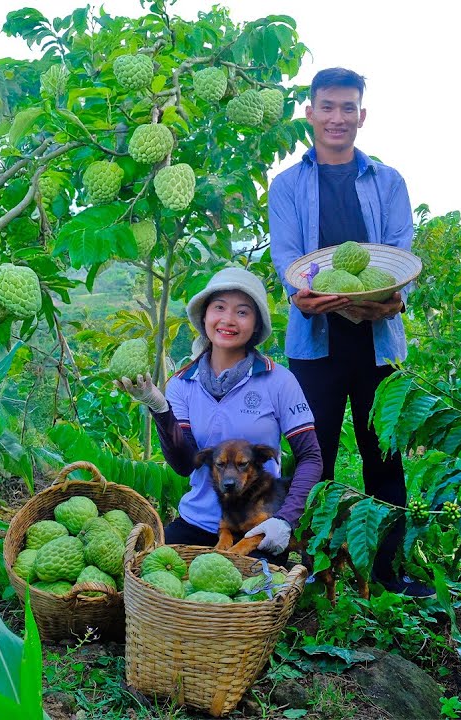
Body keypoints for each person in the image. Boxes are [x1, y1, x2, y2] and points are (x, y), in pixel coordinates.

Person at [268, 67, 433, 597]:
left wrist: (387, 302)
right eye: (328, 107)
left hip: (377, 344)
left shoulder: (388, 182)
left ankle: (388, 572)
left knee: (382, 456)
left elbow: (400, 253)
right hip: (314, 345)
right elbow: (288, 258)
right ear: (310, 113)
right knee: (313, 456)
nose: (337, 118)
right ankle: (311, 568)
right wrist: (304, 296)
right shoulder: (289, 185)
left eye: (348, 108)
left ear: (362, 115)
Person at [116, 267, 323, 565]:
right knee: (150, 578)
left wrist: (285, 520)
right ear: (204, 318)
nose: (228, 320)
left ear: (256, 325)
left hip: (260, 526)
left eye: (242, 312)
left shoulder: (279, 381)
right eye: (219, 308)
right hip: (197, 523)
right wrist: (160, 409)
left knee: (249, 606)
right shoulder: (181, 383)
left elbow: (311, 456)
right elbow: (185, 464)